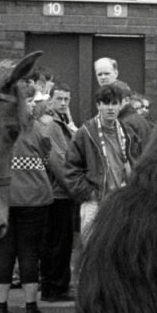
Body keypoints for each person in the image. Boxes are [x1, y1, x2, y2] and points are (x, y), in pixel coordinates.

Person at [0, 89, 56, 313]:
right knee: (29, 253)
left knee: (4, 253)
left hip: (3, 199)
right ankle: (31, 308)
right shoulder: (38, 129)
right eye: (30, 101)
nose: (33, 105)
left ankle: (1, 309)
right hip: (34, 198)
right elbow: (48, 157)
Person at [63, 85, 144, 240]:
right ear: (98, 105)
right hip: (95, 202)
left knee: (119, 248)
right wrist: (89, 194)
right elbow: (70, 169)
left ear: (121, 105)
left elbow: (138, 162)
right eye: (105, 103)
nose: (110, 108)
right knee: (92, 250)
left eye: (114, 103)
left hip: (121, 202)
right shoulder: (85, 133)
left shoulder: (128, 132)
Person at [35, 82, 77, 301]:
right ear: (50, 99)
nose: (62, 103)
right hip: (58, 193)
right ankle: (56, 288)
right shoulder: (51, 124)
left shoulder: (58, 122)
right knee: (58, 243)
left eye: (66, 99)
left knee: (54, 241)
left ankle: (53, 286)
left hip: (55, 191)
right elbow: (58, 160)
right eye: (59, 98)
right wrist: (74, 187)